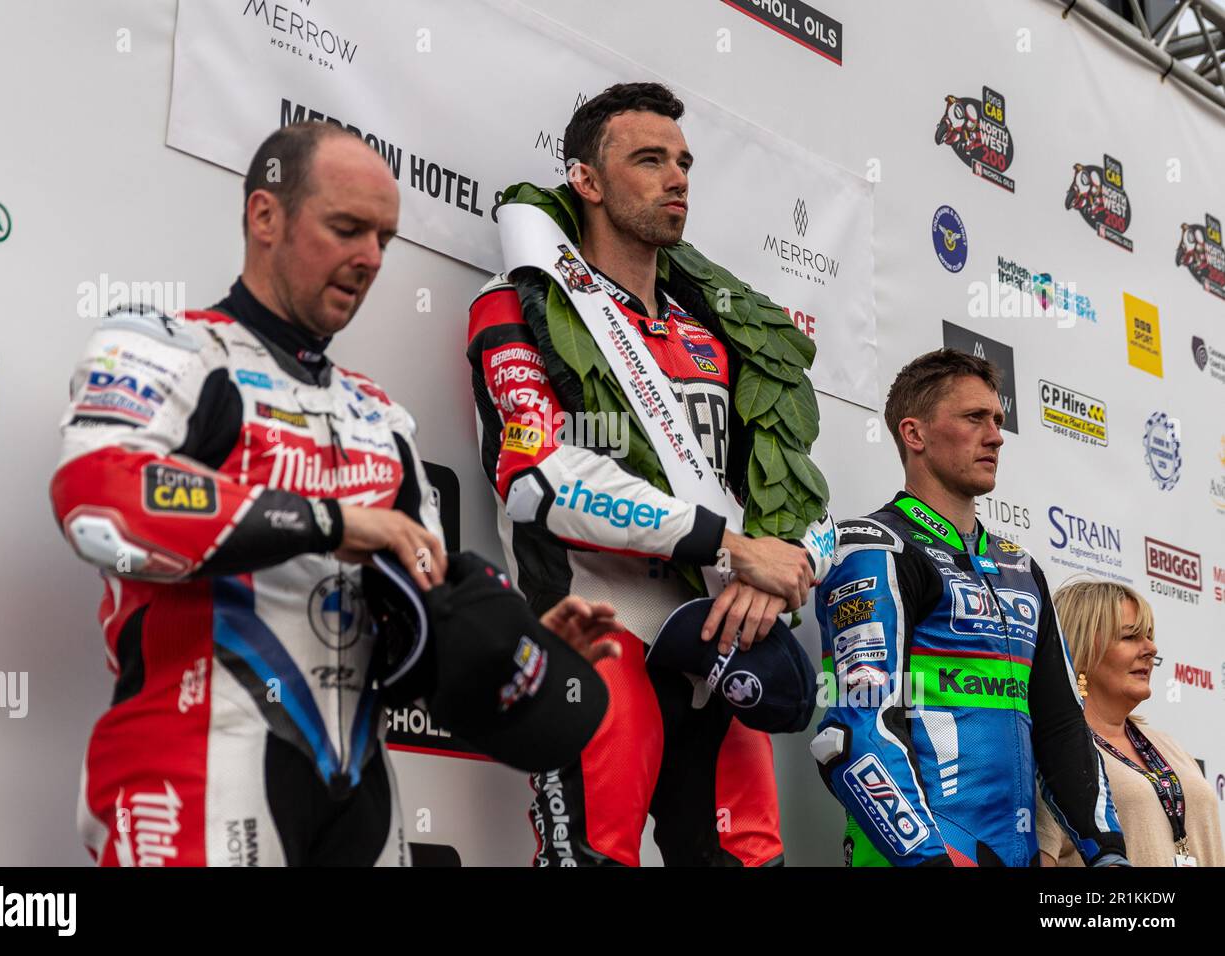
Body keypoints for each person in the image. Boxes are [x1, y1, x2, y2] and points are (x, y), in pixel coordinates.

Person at [50, 122, 619, 867]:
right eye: (346, 229)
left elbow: (414, 635)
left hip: (360, 791)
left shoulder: (380, 419)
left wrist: (510, 650)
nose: (368, 259)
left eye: (383, 238)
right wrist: (329, 521)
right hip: (193, 764)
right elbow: (102, 504)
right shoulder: (169, 351)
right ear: (265, 217)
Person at [466, 82, 816, 866]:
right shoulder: (515, 304)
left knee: (753, 860)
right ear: (585, 180)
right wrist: (730, 546)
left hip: (718, 645)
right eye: (649, 159)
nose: (677, 178)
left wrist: (767, 566)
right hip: (598, 635)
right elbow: (538, 476)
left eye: (684, 162)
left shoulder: (718, 340)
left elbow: (781, 498)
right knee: (596, 855)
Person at [810, 349, 1127, 866]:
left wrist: (1108, 852)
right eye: (974, 418)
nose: (997, 434)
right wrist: (928, 859)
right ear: (914, 435)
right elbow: (856, 732)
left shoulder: (1020, 569)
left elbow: (1062, 726)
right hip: (913, 856)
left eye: (998, 419)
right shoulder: (876, 549)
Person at [1037, 580, 1224, 867]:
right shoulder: (1056, 753)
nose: (1151, 648)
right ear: (1080, 648)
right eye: (1130, 637)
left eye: (1149, 636)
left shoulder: (1167, 745)